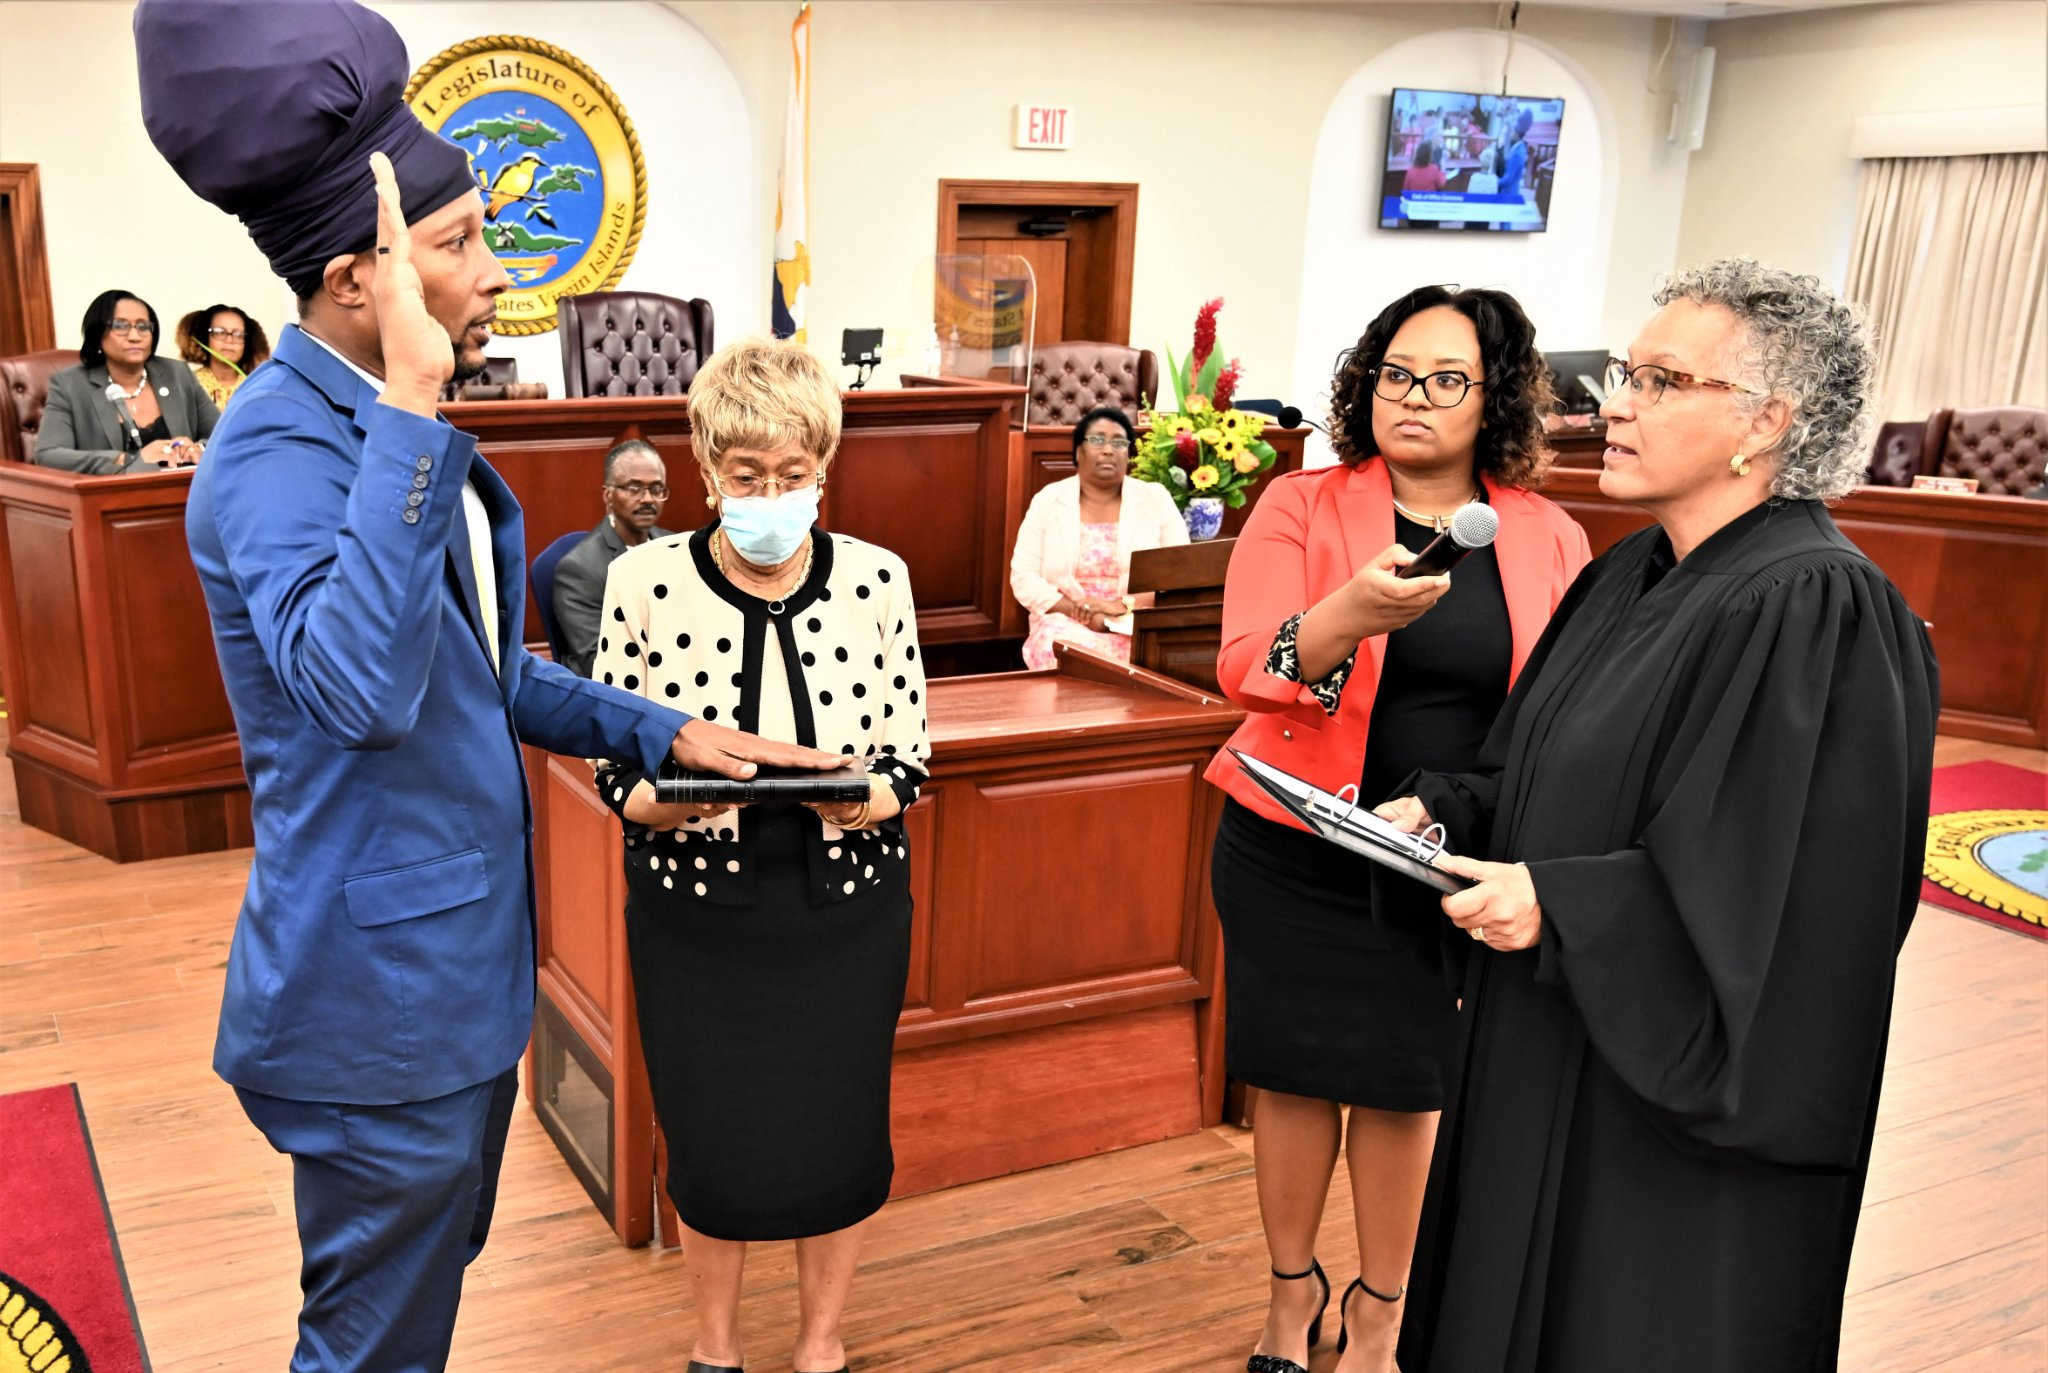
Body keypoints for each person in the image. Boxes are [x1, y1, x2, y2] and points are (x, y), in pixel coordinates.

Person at [133, 4, 837, 1371]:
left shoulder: (387, 426)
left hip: (451, 987)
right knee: (371, 1344)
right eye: (460, 244)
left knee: (417, 1310)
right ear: (360, 281)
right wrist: (411, 395)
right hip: (374, 1010)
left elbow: (477, 667)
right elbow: (360, 691)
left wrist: (663, 724)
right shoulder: (281, 450)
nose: (497, 269)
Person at [1380, 260, 1940, 1372]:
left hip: (1668, 1129)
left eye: (1660, 379)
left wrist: (1562, 903)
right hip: (1547, 1044)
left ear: (1763, 424)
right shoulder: (1630, 571)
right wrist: (1439, 812)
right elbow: (1541, 778)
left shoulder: (1817, 606)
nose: (1613, 402)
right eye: (1624, 371)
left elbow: (1788, 904)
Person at [1206, 286, 1589, 1373]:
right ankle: (1290, 1296)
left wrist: (1454, 801)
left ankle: (1379, 1311)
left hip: (1437, 858)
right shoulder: (1303, 503)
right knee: (1287, 1078)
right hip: (1290, 843)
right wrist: (1351, 613)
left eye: (1445, 379)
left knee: (1400, 1085)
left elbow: (1551, 718)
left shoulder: (1545, 533)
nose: (1412, 397)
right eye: (1394, 372)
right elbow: (1247, 670)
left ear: (1494, 400)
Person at [589, 337, 929, 1373]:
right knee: (712, 1136)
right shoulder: (643, 581)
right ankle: (715, 1346)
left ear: (822, 470)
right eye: (746, 478)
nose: (770, 496)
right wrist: (677, 799)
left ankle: (820, 1341)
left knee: (837, 1129)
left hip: (843, 909)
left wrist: (853, 793)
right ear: (705, 473)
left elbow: (907, 759)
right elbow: (617, 773)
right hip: (699, 913)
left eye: (792, 476)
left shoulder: (878, 578)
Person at [1010, 404, 1188, 669]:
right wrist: (1080, 611)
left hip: (1136, 619)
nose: (1108, 449)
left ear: (1129, 454)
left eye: (1119, 442)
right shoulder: (1049, 500)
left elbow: (1180, 571)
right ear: (1078, 452)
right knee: (1059, 649)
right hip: (1064, 617)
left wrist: (1121, 605)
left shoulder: (1155, 499)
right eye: (1097, 440)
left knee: (1151, 655)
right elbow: (1023, 577)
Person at [35, 289, 217, 472]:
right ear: (98, 334)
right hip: (110, 496)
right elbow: (48, 455)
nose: (135, 337)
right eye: (120, 326)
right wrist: (127, 460)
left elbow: (227, 434)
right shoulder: (69, 385)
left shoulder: (177, 374)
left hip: (181, 492)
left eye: (143, 327)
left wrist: (198, 449)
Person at [551, 438, 673, 676]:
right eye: (634, 488)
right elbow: (597, 661)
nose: (648, 499)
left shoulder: (675, 548)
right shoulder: (579, 569)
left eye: (656, 488)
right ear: (608, 495)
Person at [176, 302, 271, 409]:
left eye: (238, 334)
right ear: (204, 337)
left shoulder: (256, 388)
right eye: (220, 332)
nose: (229, 340)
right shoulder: (188, 386)